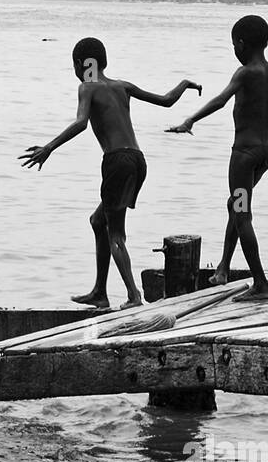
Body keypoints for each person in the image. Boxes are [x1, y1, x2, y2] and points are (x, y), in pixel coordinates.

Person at [20, 37, 200, 309]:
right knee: (97, 221)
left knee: (116, 234)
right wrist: (185, 84)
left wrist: (49, 147)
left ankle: (133, 296)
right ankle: (100, 292)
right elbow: (166, 101)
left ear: (81, 64)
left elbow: (81, 123)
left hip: (116, 161)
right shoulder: (122, 86)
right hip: (138, 160)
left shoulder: (87, 87)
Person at [167, 15, 268, 301]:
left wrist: (191, 119)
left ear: (241, 44)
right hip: (264, 155)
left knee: (243, 215)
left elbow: (220, 100)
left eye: (234, 44)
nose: (234, 50)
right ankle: (223, 269)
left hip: (243, 158)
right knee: (235, 205)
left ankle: (260, 284)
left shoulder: (244, 73)